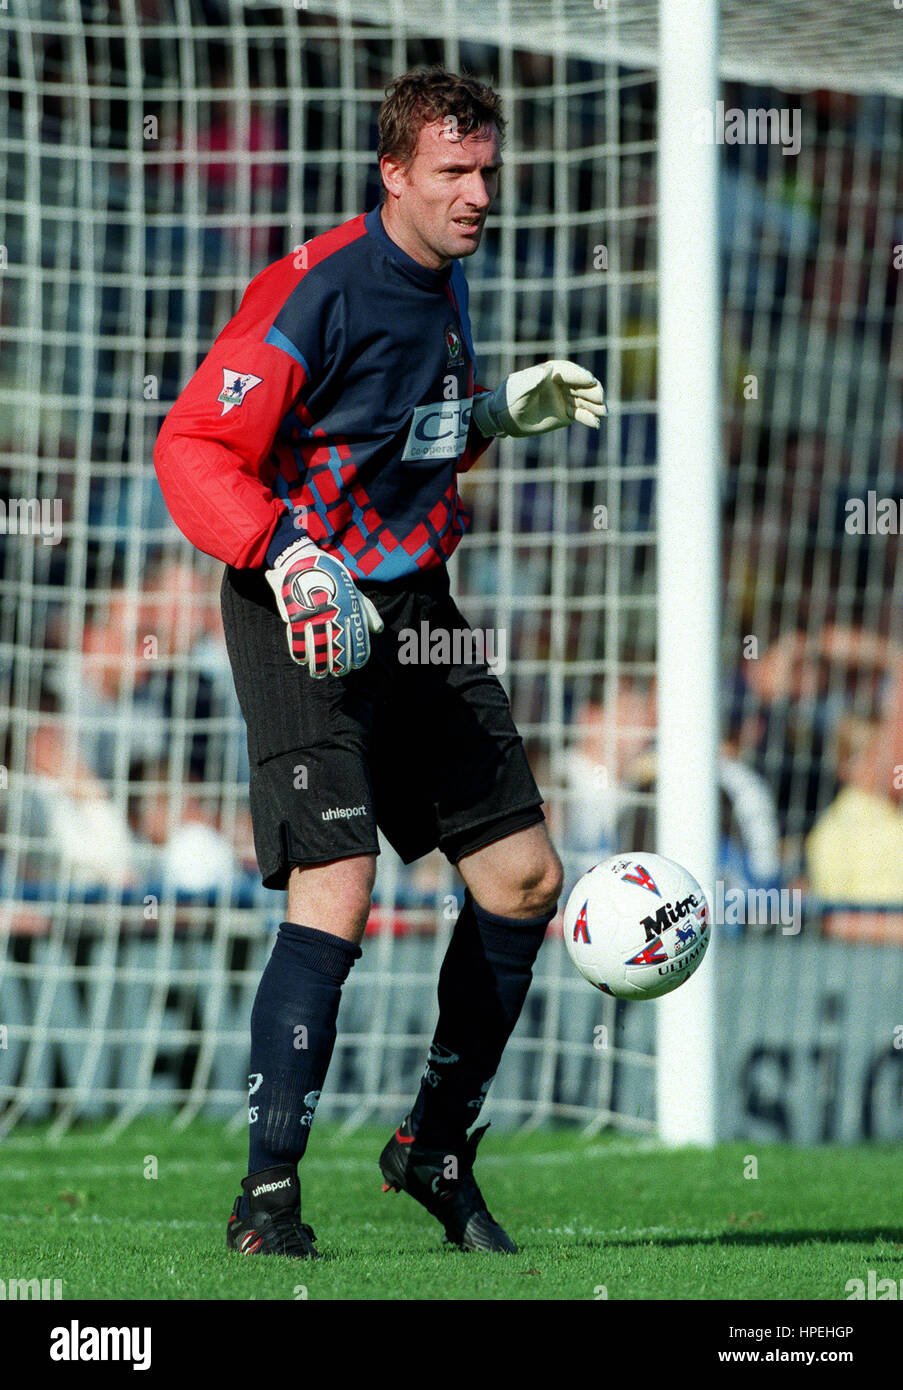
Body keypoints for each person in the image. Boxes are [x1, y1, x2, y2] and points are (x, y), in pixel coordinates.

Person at [154, 66, 605, 1259]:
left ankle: (433, 1148)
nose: (478, 195)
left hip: (414, 603)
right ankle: (266, 1200)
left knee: (522, 879)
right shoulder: (313, 292)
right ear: (393, 173)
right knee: (339, 890)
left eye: (488, 173)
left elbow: (395, 430)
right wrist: (285, 555)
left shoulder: (446, 277)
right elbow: (193, 444)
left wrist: (497, 411)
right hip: (299, 605)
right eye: (454, 173)